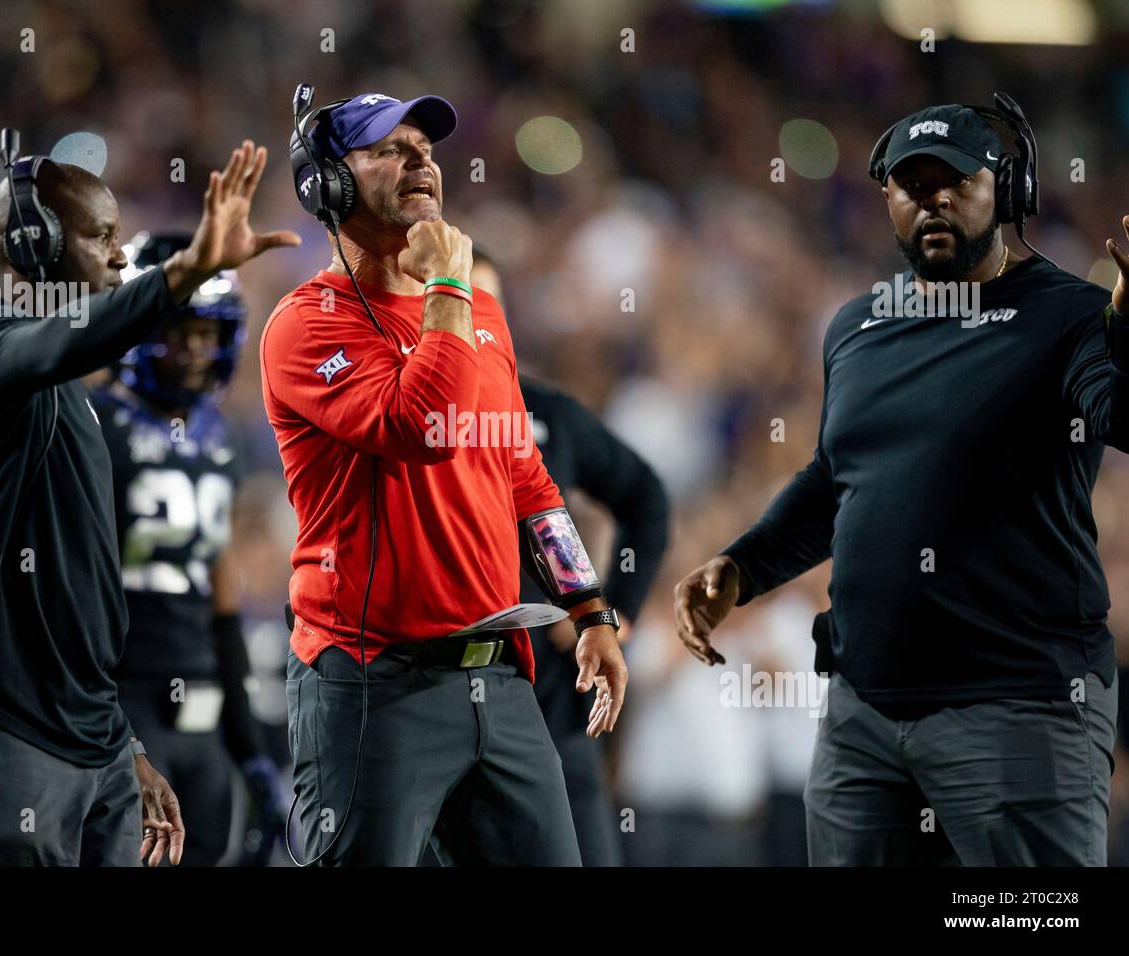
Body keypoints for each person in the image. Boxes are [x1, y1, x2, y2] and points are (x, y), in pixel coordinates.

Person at [675, 101, 1127, 866]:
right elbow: (836, 481)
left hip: (1018, 706)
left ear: (1007, 191)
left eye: (956, 181)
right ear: (886, 199)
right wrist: (743, 567)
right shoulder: (858, 328)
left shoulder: (1073, 316)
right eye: (911, 185)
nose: (933, 199)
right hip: (862, 716)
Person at [0, 138, 298, 866]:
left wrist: (119, 745)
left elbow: (78, 600)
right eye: (102, 236)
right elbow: (54, 344)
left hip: (87, 737)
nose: (117, 256)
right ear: (34, 245)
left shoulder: (71, 397)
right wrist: (182, 272)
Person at [262, 89, 628, 865]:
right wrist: (450, 290)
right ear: (327, 183)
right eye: (387, 150)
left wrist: (590, 609)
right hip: (372, 683)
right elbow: (422, 428)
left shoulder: (481, 316)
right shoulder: (307, 324)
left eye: (424, 148)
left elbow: (526, 478)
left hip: (500, 678)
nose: (419, 162)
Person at [470, 249, 670, 866]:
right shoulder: (404, 417)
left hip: (555, 712)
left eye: (487, 303)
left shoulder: (546, 415)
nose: (474, 317)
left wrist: (614, 612)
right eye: (455, 299)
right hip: (441, 707)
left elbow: (645, 496)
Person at [94, 231, 286, 866]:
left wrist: (252, 751)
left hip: (202, 694)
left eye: (208, 332)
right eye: (179, 331)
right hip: (121, 695)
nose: (196, 351)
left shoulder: (217, 436)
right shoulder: (91, 423)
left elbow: (223, 599)